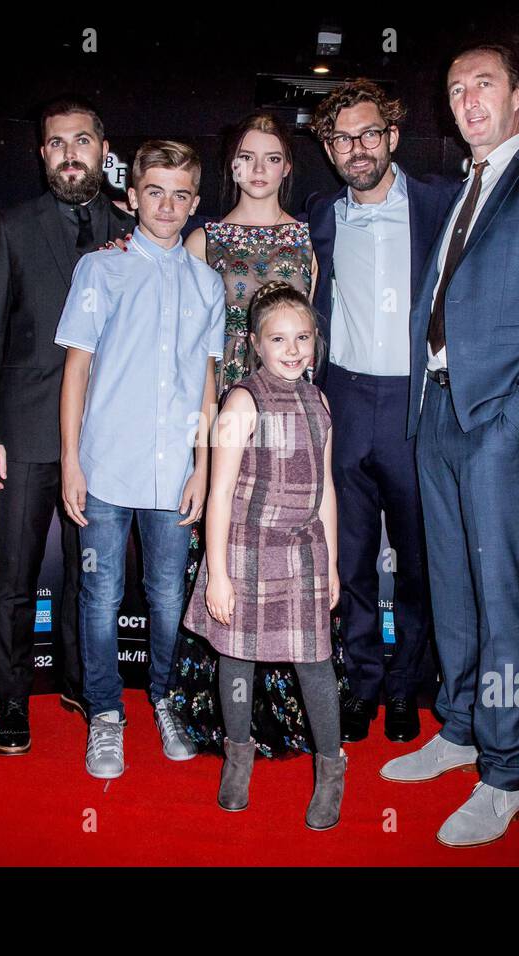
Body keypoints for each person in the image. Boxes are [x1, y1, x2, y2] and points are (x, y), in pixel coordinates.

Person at [383, 44, 519, 846]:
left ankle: (506, 773)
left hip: (500, 422)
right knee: (452, 589)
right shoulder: (469, 186)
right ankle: (463, 729)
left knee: (499, 597)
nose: (468, 100)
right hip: (437, 412)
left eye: (484, 85)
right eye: (455, 90)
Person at [0, 97, 135, 755]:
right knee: (16, 575)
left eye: (82, 140)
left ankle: (79, 682)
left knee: (91, 577)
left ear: (101, 147)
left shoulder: (132, 225)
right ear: (43, 154)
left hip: (105, 439)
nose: (70, 153)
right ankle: (10, 705)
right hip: (28, 433)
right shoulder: (10, 227)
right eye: (57, 142)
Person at [165, 114, 338, 760]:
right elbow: (194, 352)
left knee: (291, 563)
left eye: (272, 157)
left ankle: (288, 721)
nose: (260, 168)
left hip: (291, 417)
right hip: (231, 413)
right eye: (247, 157)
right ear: (230, 166)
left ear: (287, 167)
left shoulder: (307, 237)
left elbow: (309, 339)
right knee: (226, 560)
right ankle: (224, 725)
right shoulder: (202, 240)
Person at [54, 140, 225, 779]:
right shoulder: (102, 270)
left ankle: (166, 701)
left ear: (195, 203)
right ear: (132, 196)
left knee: (167, 597)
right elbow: (77, 369)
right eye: (155, 191)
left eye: (181, 194)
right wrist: (71, 460)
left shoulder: (207, 283)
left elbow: (207, 382)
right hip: (104, 465)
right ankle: (104, 715)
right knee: (99, 594)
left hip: (175, 472)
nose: (167, 205)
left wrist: (204, 468)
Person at [305, 80, 456, 744]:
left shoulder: (440, 204)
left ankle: (404, 689)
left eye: (369, 133)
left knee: (421, 564)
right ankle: (363, 687)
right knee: (351, 559)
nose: (356, 148)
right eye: (341, 138)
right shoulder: (320, 214)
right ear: (328, 148)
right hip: (343, 399)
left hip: (414, 403)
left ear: (392, 136)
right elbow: (239, 238)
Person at [182, 281, 347, 829]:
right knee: (238, 660)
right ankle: (237, 759)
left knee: (316, 663)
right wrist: (218, 576)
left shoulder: (320, 400)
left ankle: (331, 772)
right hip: (246, 551)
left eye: (303, 336)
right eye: (280, 339)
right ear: (256, 343)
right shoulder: (241, 400)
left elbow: (325, 488)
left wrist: (335, 566)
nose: (294, 349)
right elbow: (220, 493)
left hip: (304, 553)